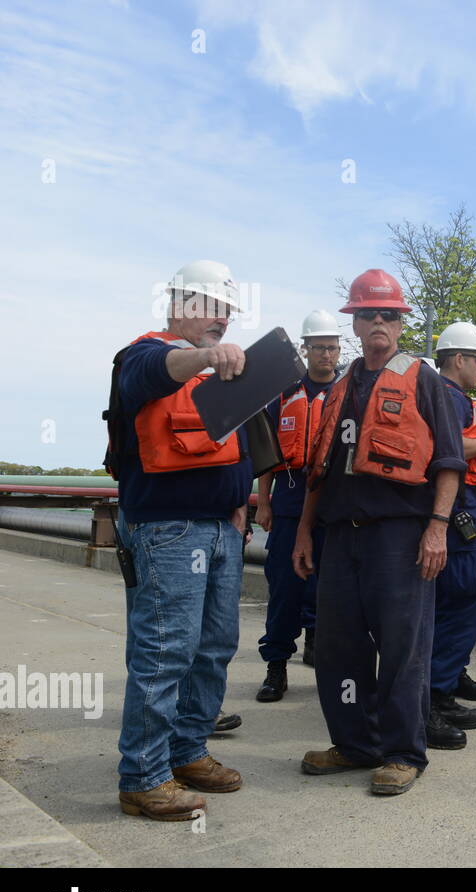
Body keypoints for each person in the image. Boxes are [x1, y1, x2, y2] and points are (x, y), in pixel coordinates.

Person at [292, 268, 466, 797]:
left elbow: (450, 463)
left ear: (399, 322)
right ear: (355, 321)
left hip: (400, 536)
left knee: (402, 649)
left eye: (388, 315)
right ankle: (354, 743)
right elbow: (319, 469)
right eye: (368, 315)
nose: (378, 324)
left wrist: (437, 528)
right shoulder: (340, 386)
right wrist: (304, 532)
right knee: (339, 649)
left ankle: (402, 753)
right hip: (341, 536)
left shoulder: (423, 380)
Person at [103, 259, 251, 821]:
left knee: (213, 648)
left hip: (221, 529)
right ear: (184, 304)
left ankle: (186, 751)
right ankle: (142, 775)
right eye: (216, 310)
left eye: (228, 313)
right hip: (168, 531)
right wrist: (207, 357)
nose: (224, 323)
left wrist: (239, 506)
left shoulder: (215, 380)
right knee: (165, 652)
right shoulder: (143, 356)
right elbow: (163, 368)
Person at [253, 310, 341, 701]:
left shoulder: (349, 394)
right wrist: (263, 502)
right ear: (305, 350)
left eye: (333, 347)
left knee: (332, 589)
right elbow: (267, 454)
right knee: (285, 587)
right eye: (319, 347)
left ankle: (325, 654)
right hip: (290, 498)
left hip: (335, 505)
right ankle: (276, 667)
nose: (327, 354)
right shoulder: (285, 395)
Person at [423, 322, 476, 749]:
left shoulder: (448, 396)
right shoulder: (448, 397)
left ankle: (441, 688)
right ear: (458, 359)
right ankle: (433, 698)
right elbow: (446, 450)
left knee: (451, 602)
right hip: (457, 512)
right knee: (463, 598)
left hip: (458, 509)